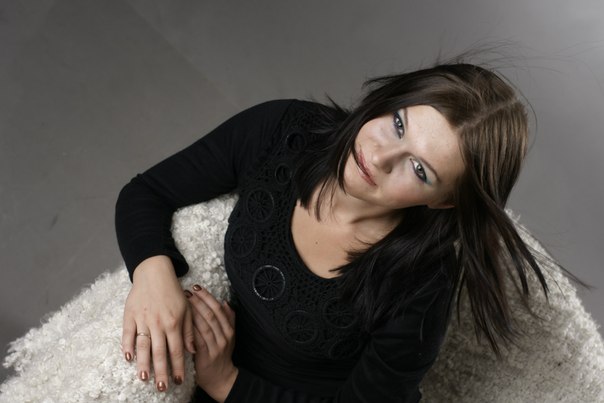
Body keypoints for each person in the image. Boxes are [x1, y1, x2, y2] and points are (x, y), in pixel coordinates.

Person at [114, 62, 563, 402]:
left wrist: (225, 381)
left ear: (443, 201)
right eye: (398, 125)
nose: (380, 156)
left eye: (419, 169)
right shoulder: (281, 131)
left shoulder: (422, 286)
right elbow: (146, 192)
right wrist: (153, 276)